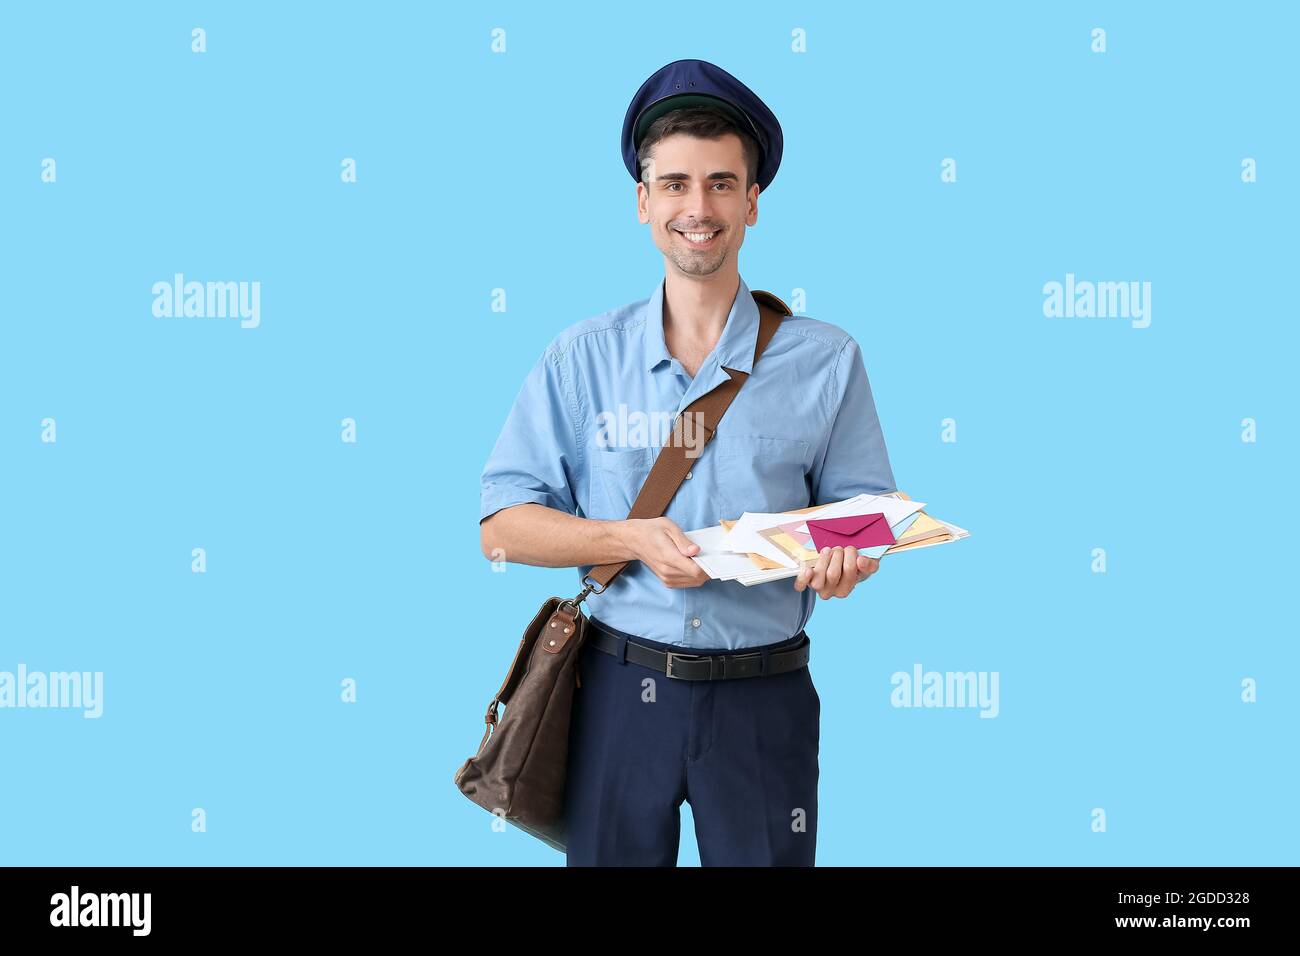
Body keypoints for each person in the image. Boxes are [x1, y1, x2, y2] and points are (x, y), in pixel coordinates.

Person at [478, 59, 896, 866]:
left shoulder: (828, 360)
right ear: (643, 201)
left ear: (751, 201)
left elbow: (866, 522)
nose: (696, 208)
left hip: (765, 699)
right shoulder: (580, 359)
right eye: (673, 184)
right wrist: (628, 540)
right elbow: (500, 529)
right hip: (614, 698)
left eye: (718, 183)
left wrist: (853, 562)